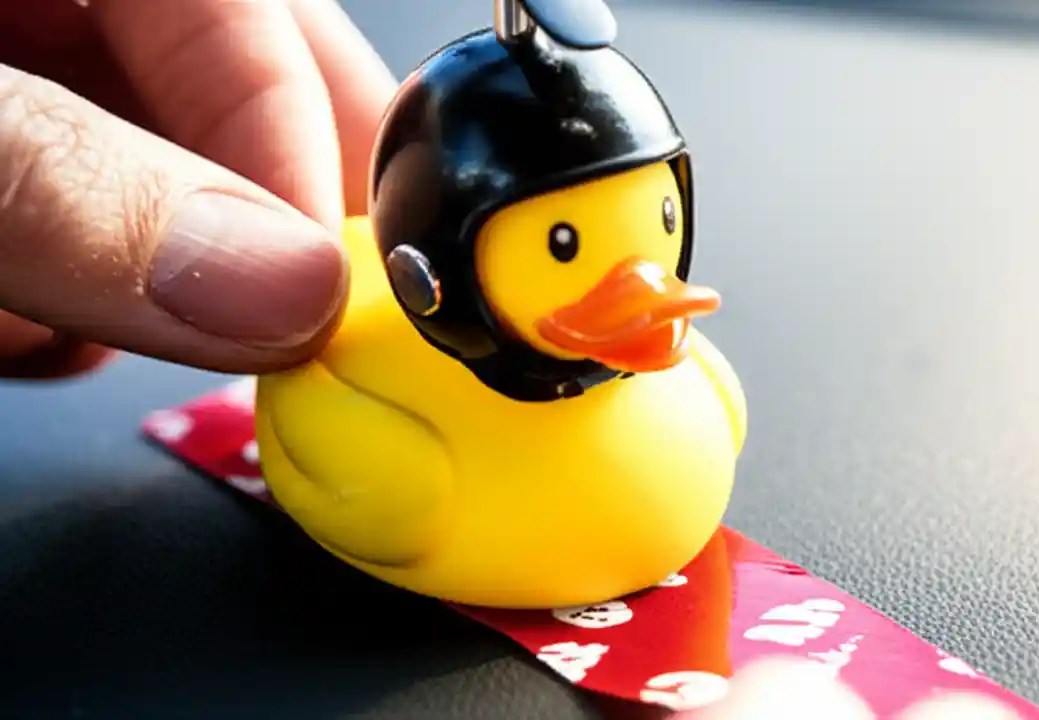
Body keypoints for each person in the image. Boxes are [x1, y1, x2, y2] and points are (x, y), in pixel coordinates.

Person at [0, 2, 878, 716]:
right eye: (561, 244)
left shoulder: (694, 388)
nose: (645, 286)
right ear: (438, 271)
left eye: (662, 219)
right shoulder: (404, 460)